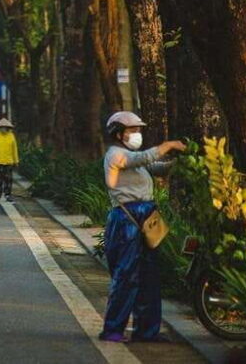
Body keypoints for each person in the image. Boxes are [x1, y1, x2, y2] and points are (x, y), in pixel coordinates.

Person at [99, 111, 186, 343]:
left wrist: (182, 160)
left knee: (149, 276)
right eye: (132, 130)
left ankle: (147, 331)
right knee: (126, 275)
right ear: (118, 134)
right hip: (127, 219)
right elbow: (143, 159)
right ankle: (113, 330)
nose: (137, 134)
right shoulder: (116, 155)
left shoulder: (132, 156)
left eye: (138, 130)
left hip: (147, 216)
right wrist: (167, 145)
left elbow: (155, 166)